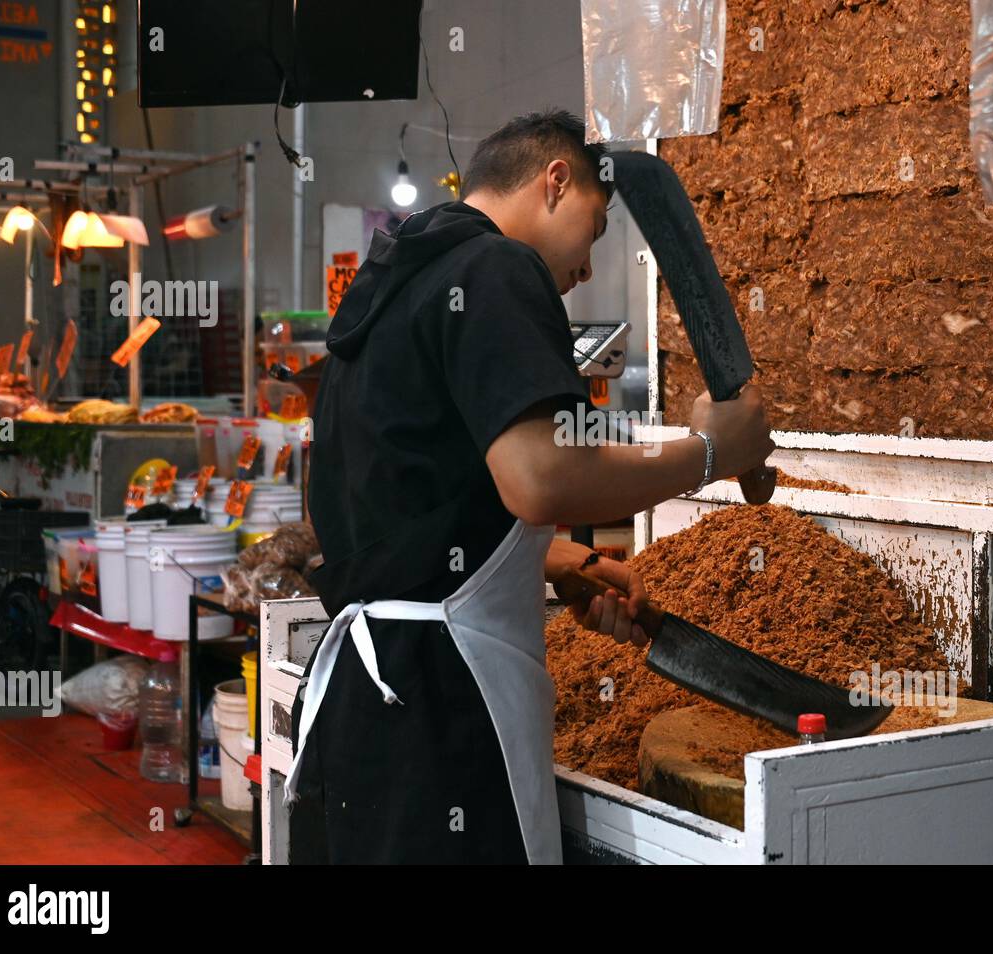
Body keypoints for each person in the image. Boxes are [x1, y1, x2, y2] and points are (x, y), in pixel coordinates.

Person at [286, 109, 774, 864]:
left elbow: (408, 504)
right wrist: (711, 451)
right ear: (555, 182)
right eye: (597, 227)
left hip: (366, 705)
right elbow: (543, 478)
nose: (585, 269)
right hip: (442, 708)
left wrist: (559, 568)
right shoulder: (494, 267)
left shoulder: (397, 282)